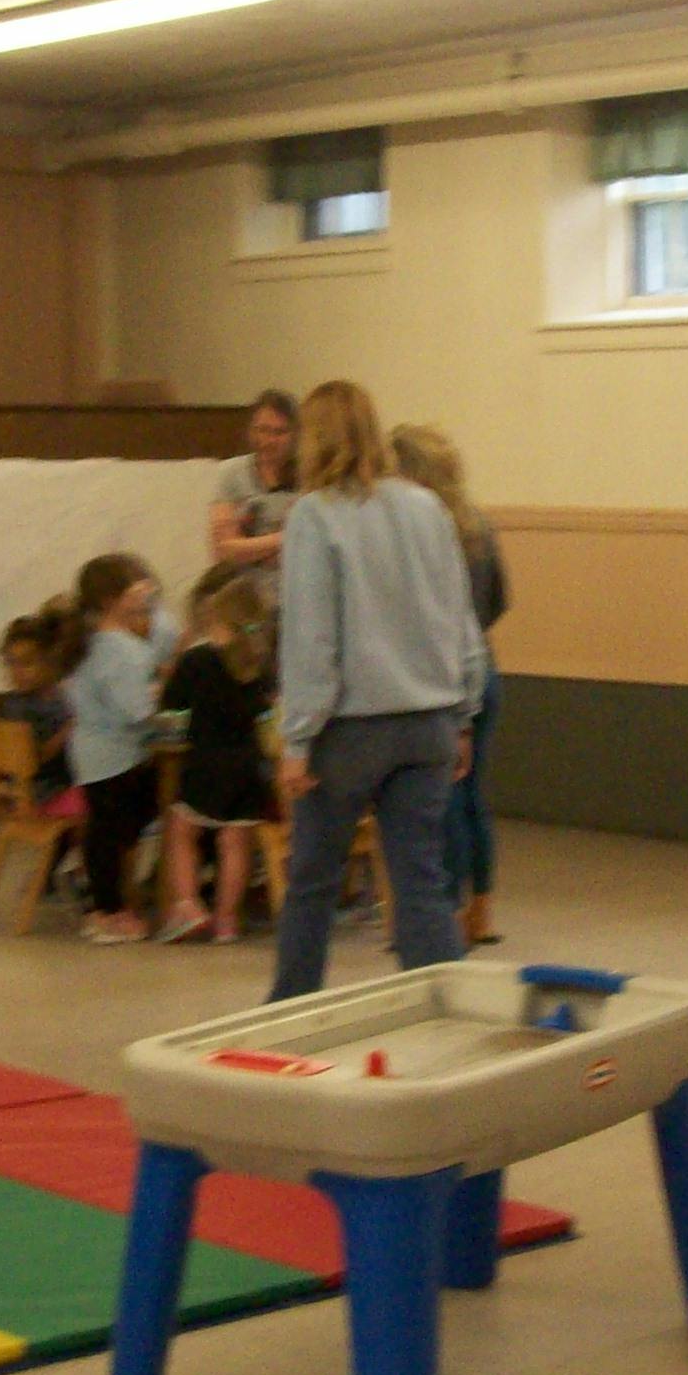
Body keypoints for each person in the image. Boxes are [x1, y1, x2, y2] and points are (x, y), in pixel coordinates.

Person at [269, 381, 486, 1002]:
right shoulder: (425, 507)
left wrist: (297, 736)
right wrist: (464, 715)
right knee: (419, 879)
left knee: (312, 877)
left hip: (351, 727)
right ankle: (447, 1011)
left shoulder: (314, 515)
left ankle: (290, 1009)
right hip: (429, 721)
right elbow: (458, 616)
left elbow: (313, 636)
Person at [391, 423, 509, 947]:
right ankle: (479, 909)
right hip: (484, 667)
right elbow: (501, 599)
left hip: (438, 677)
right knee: (472, 796)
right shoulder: (479, 525)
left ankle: (444, 914)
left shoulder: (422, 529)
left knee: (443, 801)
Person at [63, 553, 179, 946]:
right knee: (114, 833)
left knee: (107, 831)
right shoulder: (123, 650)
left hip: (95, 753)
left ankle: (103, 899)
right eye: (136, 585)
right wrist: (161, 695)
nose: (147, 589)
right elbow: (136, 712)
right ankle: (108, 912)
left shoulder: (95, 643)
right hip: (115, 757)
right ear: (111, 599)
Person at [154, 576, 276, 945]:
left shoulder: (196, 660)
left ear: (218, 621)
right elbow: (266, 719)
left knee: (181, 829)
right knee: (235, 843)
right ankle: (227, 922)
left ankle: (189, 906)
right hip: (249, 769)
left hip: (206, 765)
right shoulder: (259, 667)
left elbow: (172, 713)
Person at [207, 390, 301, 598]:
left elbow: (307, 550)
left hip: (293, 591)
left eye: (279, 432)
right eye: (262, 430)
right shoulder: (231, 472)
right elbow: (223, 551)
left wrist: (248, 548)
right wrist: (286, 537)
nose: (268, 441)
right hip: (242, 593)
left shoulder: (308, 476)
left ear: (295, 434)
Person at [0, 607, 80, 810]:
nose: (17, 672)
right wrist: (69, 729)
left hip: (62, 783)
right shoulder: (17, 708)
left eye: (26, 663)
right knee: (101, 795)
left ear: (49, 661)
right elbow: (33, 759)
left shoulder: (60, 695)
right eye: (11, 664)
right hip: (41, 792)